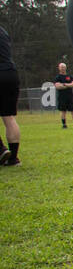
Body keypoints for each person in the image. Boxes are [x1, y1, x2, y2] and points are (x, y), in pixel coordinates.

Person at [0, 25, 19, 166]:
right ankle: (14, 158)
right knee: (9, 117)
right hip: (11, 73)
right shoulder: (3, 31)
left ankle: (1, 149)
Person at [53, 62, 73, 128]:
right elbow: (57, 86)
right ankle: (64, 124)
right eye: (61, 67)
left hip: (70, 96)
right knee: (63, 111)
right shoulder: (57, 77)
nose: (62, 68)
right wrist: (69, 85)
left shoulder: (70, 76)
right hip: (62, 97)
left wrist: (64, 84)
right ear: (59, 68)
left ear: (66, 68)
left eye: (64, 67)